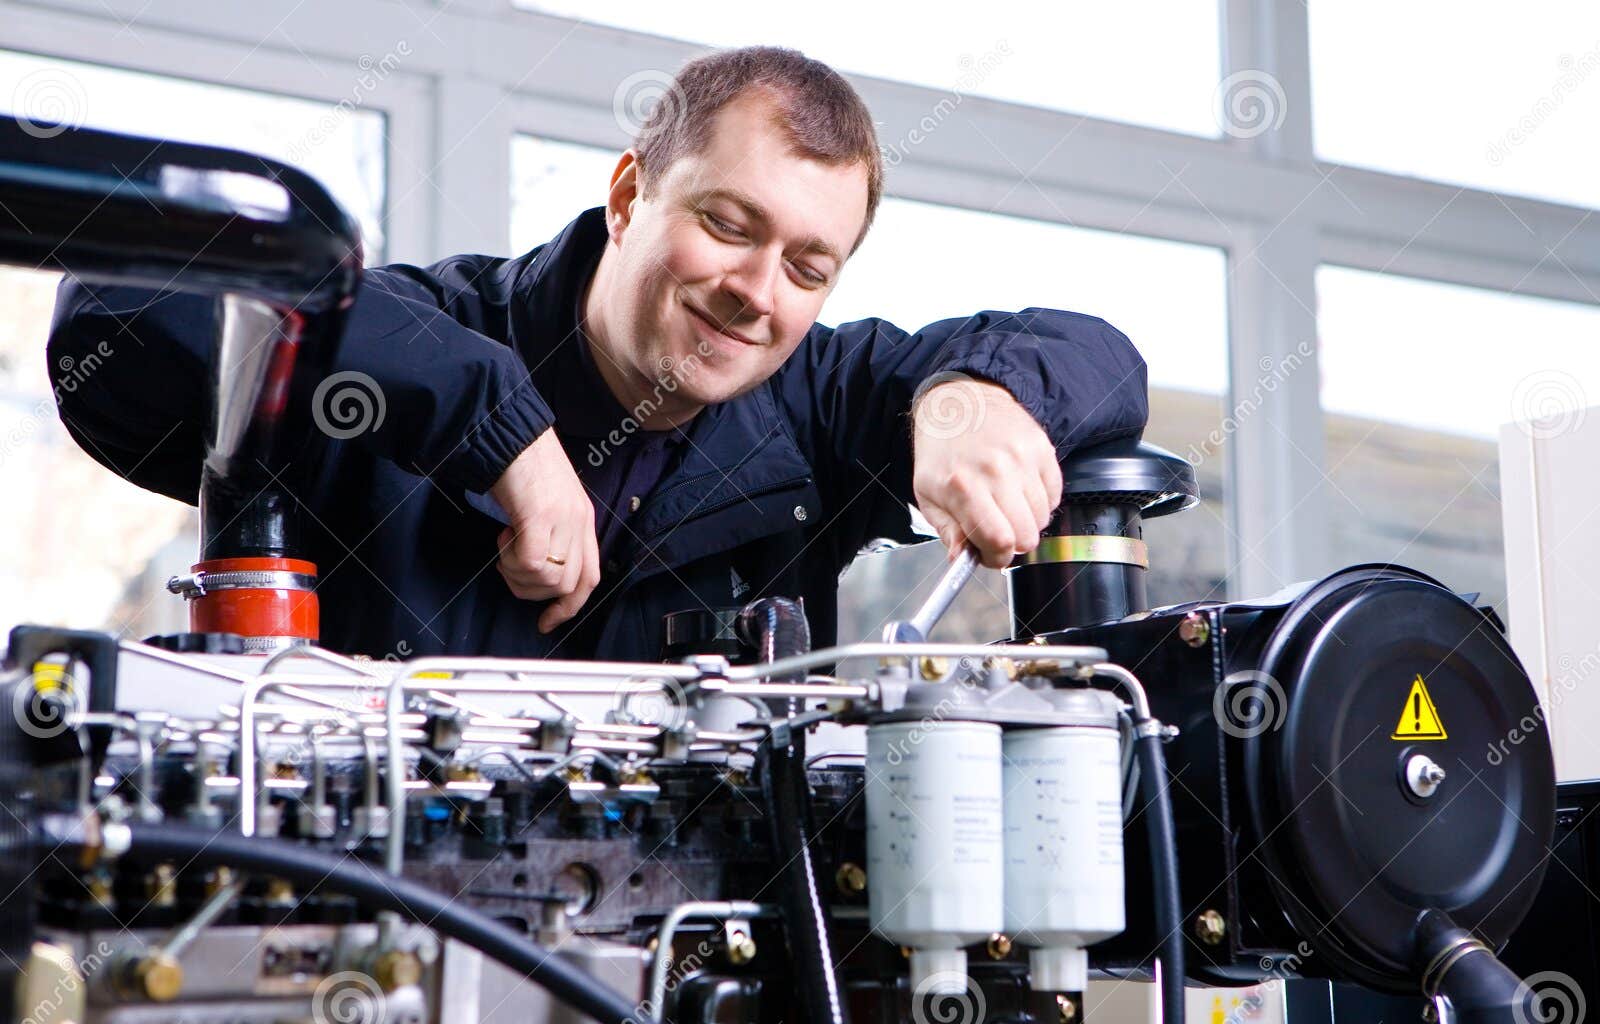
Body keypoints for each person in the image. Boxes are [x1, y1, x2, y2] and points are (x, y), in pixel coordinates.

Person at [49, 46, 1148, 661]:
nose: (756, 294)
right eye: (727, 225)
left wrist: (975, 394)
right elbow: (120, 295)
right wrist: (495, 422)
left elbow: (1103, 359)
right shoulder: (403, 340)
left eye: (809, 267)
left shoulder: (820, 405)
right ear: (628, 194)